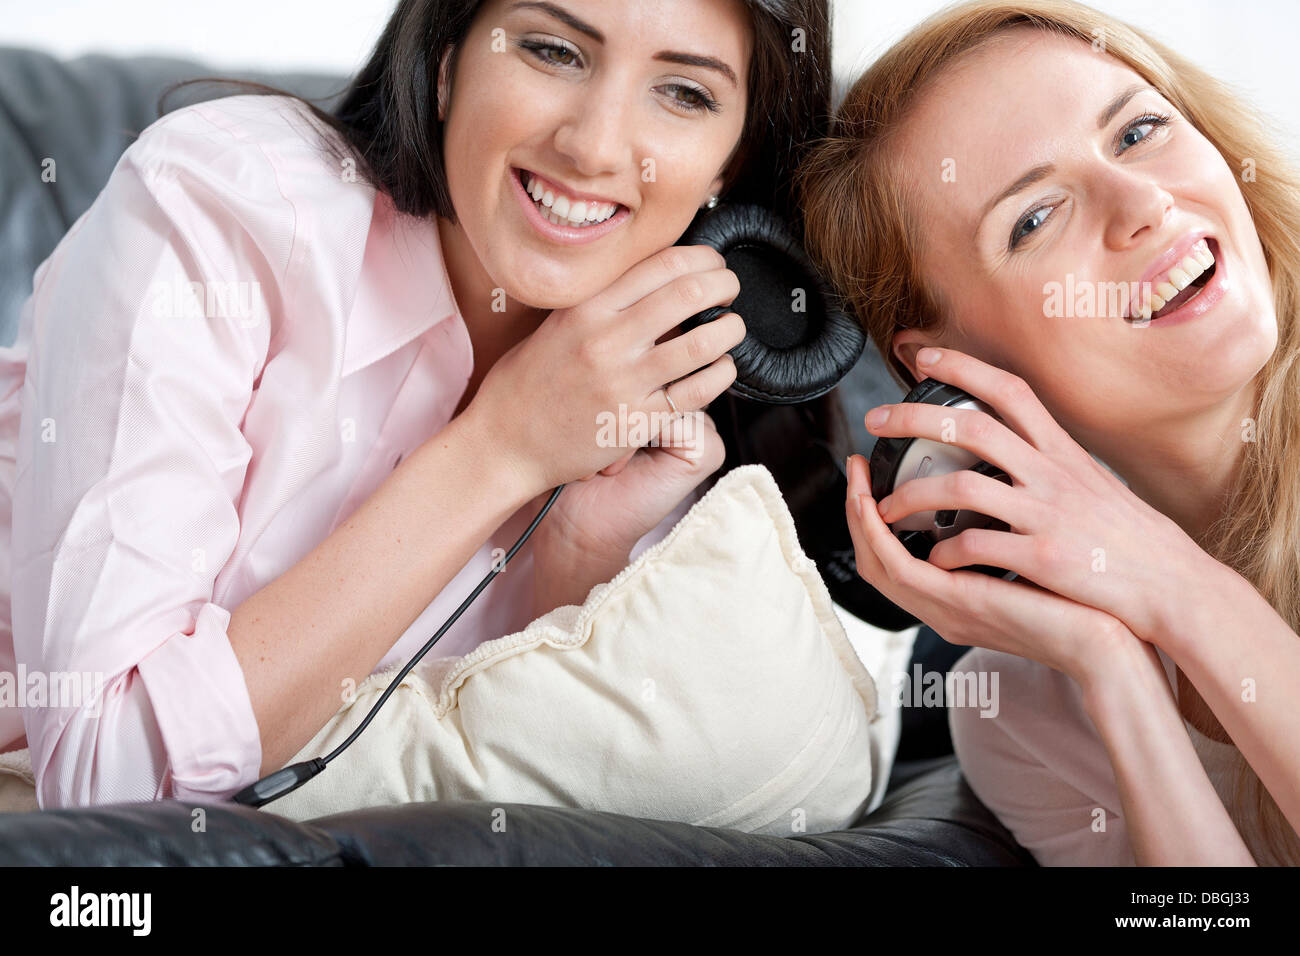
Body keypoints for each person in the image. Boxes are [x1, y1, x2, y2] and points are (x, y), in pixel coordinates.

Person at [0, 0, 833, 809]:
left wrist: (576, 557)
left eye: (685, 93)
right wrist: (498, 448)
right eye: (552, 51)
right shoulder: (219, 203)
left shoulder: (681, 418)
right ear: (447, 64)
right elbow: (108, 783)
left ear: (732, 161)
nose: (594, 146)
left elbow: (513, 807)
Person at [800, 0, 1300, 865]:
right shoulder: (1021, 713)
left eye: (1140, 131)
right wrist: (1111, 664)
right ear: (947, 366)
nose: (1141, 201)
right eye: (1034, 218)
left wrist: (1180, 588)